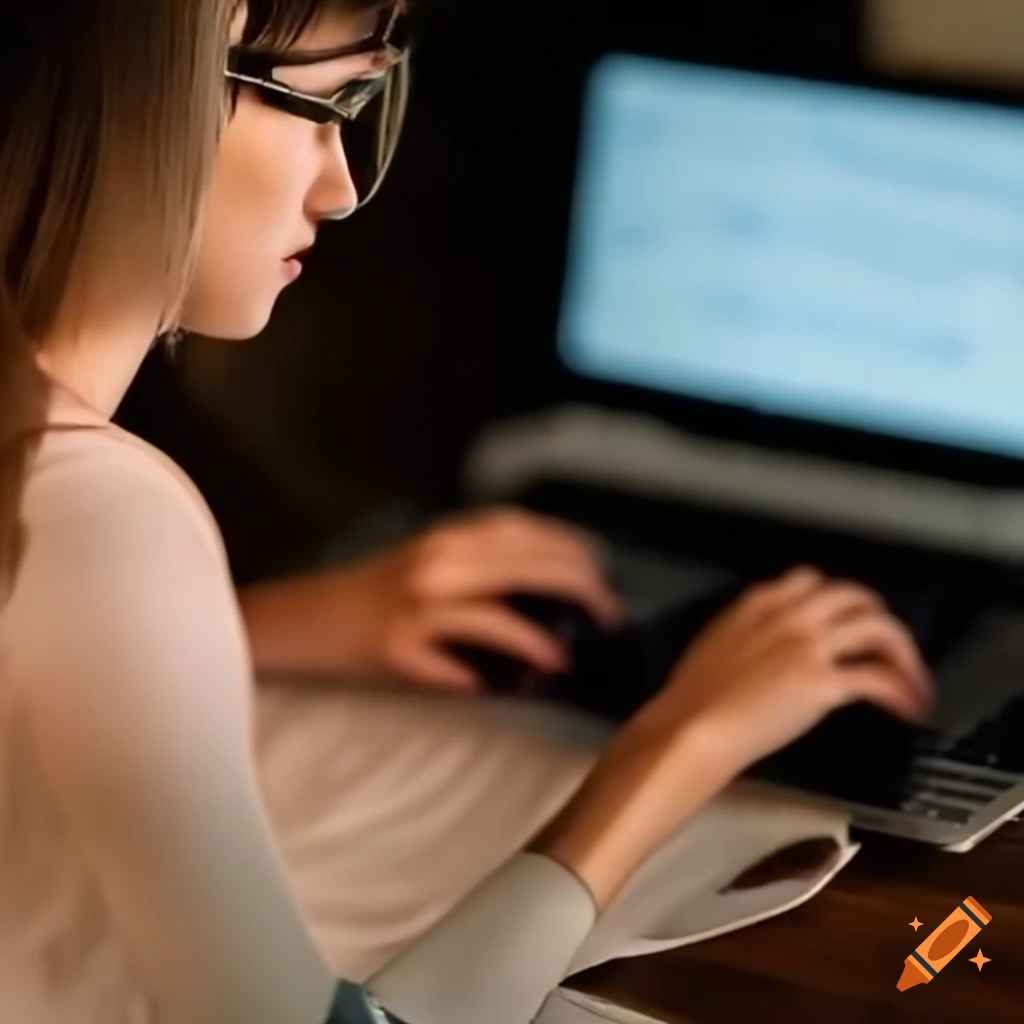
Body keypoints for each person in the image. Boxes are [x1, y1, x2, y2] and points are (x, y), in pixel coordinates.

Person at [0, 1, 935, 1022]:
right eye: (327, 104)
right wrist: (680, 745)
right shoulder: (97, 514)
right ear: (176, 73)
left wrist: (266, 627)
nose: (339, 187)